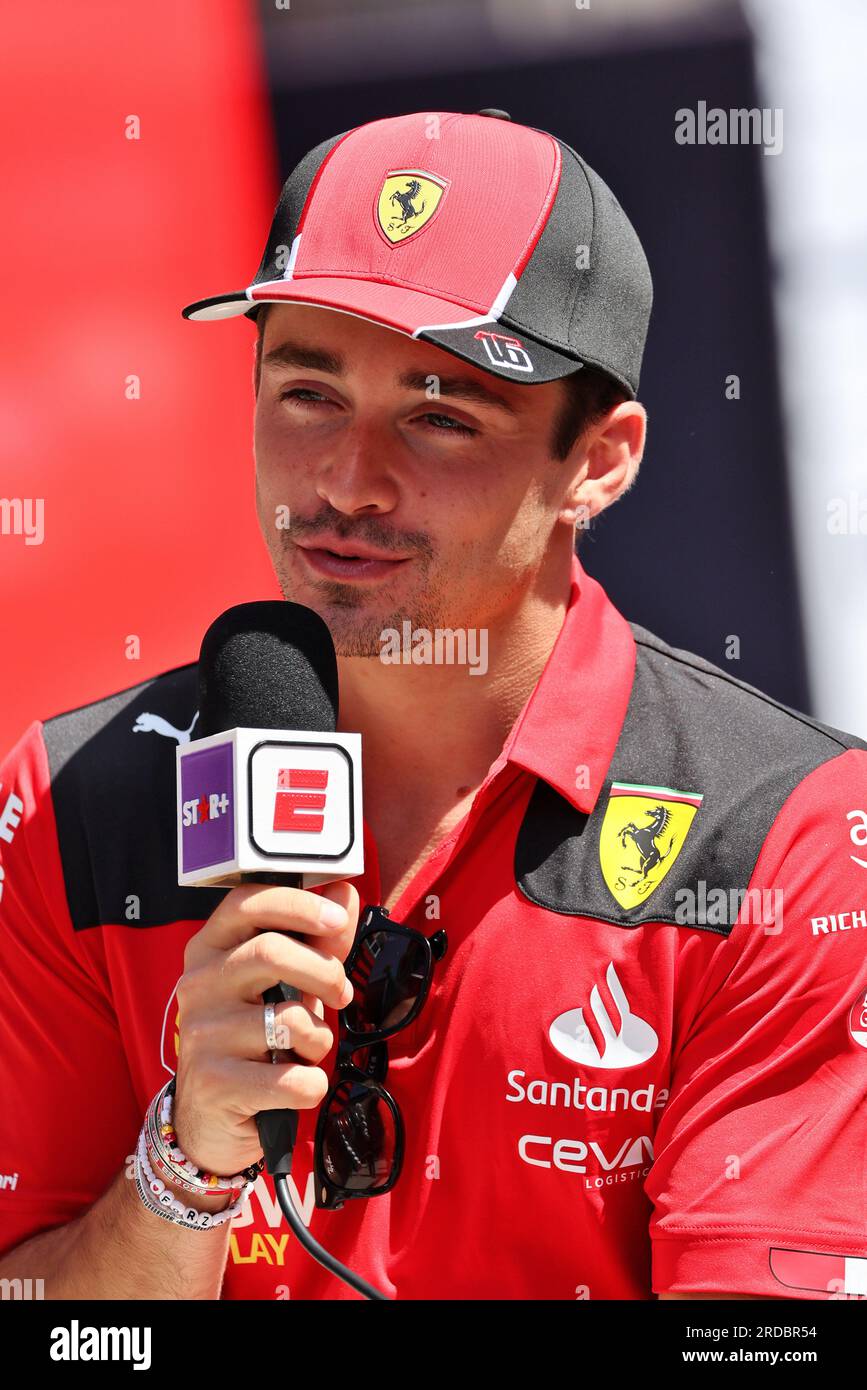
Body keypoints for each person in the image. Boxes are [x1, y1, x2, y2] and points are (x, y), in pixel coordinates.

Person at [0, 109, 865, 1302]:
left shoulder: (791, 834)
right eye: (307, 394)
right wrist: (187, 1161)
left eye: (440, 415)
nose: (348, 480)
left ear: (600, 460)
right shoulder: (67, 799)